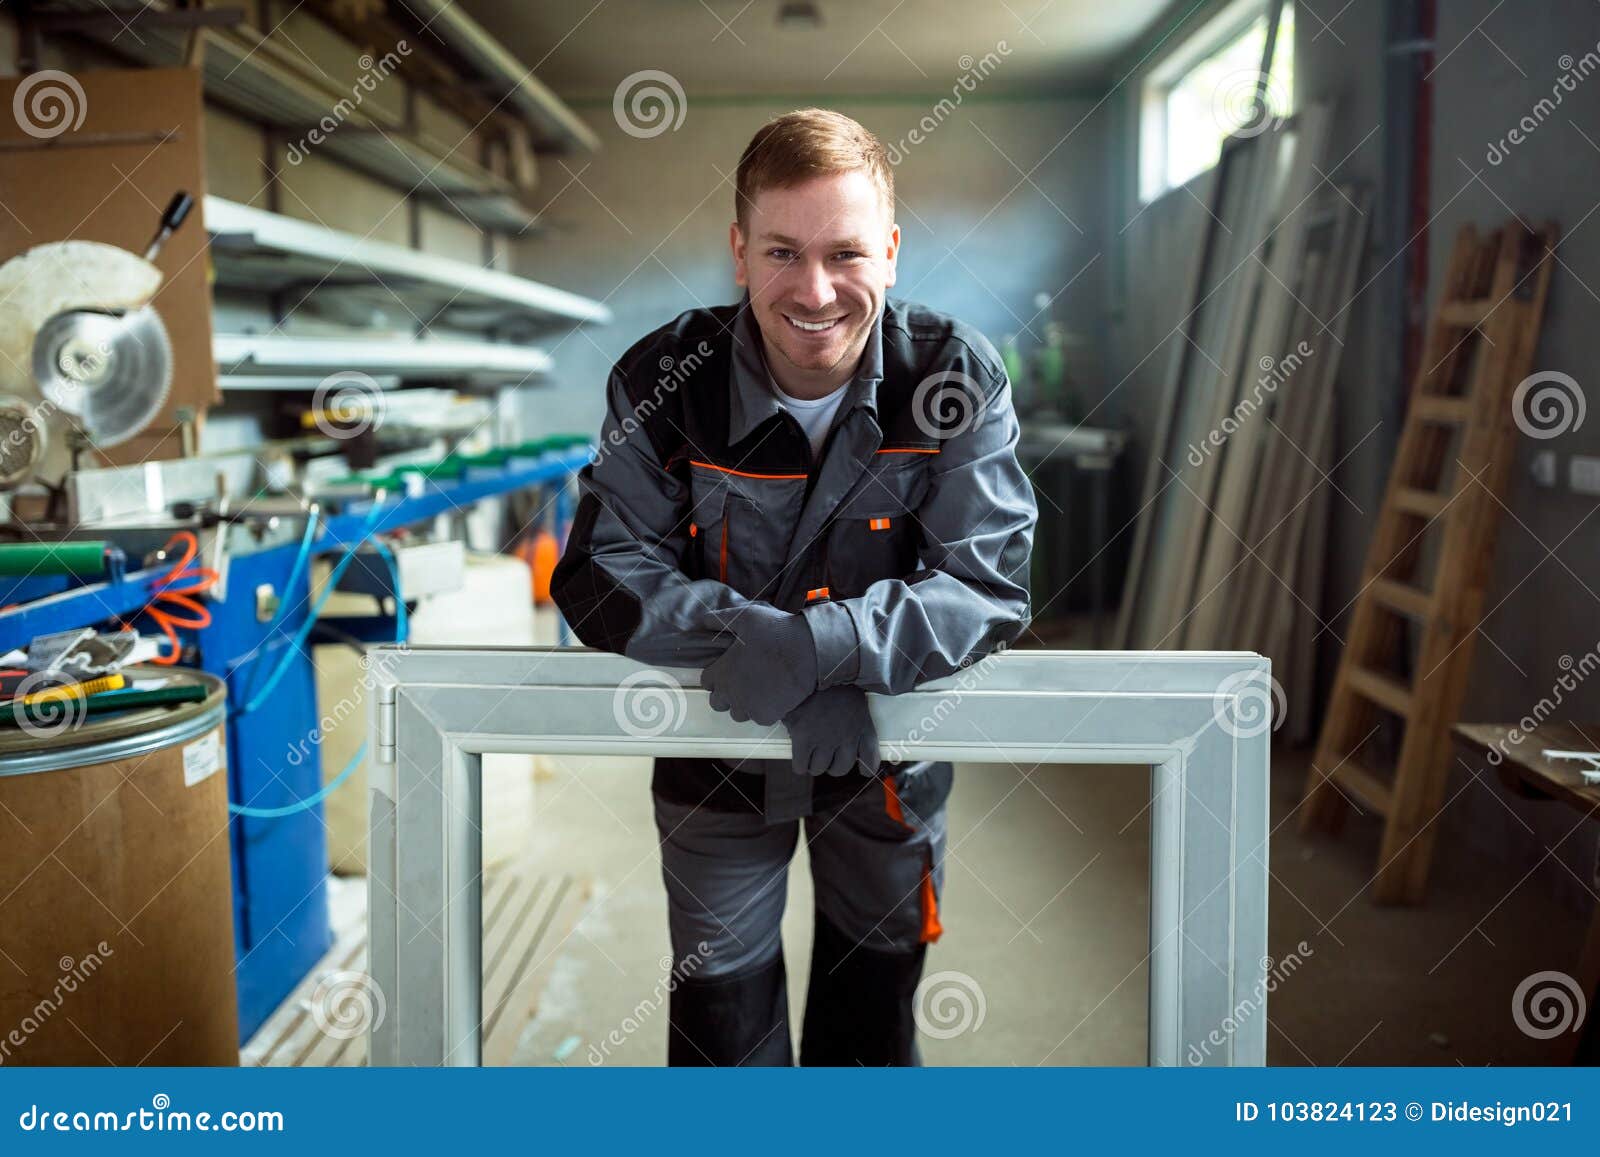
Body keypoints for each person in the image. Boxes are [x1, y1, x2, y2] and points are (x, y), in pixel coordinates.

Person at [550, 108, 1037, 1066]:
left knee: (869, 1024)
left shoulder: (953, 378)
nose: (814, 289)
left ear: (891, 252)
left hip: (885, 756)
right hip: (716, 754)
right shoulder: (665, 379)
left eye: (845, 252)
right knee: (724, 1033)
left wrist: (821, 648)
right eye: (782, 251)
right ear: (739, 250)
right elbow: (601, 573)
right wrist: (763, 639)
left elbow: (986, 582)